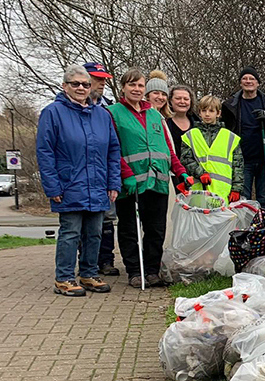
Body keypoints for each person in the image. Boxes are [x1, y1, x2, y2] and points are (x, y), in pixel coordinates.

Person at [37, 65, 122, 296]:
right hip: (69, 185)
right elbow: (45, 152)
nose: (81, 88)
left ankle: (88, 274)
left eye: (85, 84)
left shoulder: (102, 115)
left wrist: (113, 183)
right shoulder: (52, 113)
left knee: (95, 233)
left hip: (98, 185)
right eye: (75, 84)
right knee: (71, 233)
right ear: (65, 86)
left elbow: (113, 150)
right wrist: (52, 186)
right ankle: (64, 278)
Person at [109, 69, 192, 288]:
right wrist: (125, 174)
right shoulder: (113, 113)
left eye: (140, 85)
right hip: (131, 183)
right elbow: (112, 149)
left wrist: (181, 171)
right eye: (132, 85)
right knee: (130, 229)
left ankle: (152, 271)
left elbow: (167, 149)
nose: (136, 89)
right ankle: (135, 271)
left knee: (156, 229)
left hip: (158, 181)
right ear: (123, 88)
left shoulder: (155, 116)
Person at [222, 67, 265, 207]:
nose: (248, 81)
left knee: (264, 198)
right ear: (240, 83)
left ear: (258, 83)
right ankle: (245, 221)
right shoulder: (230, 105)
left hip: (264, 159)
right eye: (245, 78)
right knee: (243, 199)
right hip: (242, 159)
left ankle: (264, 220)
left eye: (252, 79)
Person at [84, 61, 120, 277]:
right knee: (83, 220)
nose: (102, 83)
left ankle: (106, 260)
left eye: (104, 79)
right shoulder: (72, 107)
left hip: (105, 171)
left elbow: (115, 144)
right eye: (97, 79)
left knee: (108, 218)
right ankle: (86, 261)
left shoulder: (109, 108)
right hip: (82, 173)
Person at [180, 95, 244, 202]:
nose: (207, 114)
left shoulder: (230, 137)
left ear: (218, 113)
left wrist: (236, 189)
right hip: (198, 190)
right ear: (199, 113)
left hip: (222, 191)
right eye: (204, 111)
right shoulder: (190, 135)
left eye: (211, 111)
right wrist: (200, 173)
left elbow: (237, 165)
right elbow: (186, 159)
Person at [165, 84, 199, 156]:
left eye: (186, 99)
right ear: (170, 100)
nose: (182, 102)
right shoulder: (164, 122)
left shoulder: (198, 123)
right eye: (178, 98)